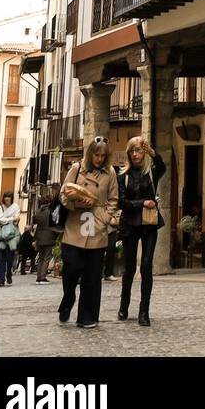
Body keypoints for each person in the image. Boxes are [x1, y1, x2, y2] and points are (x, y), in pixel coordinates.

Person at [58, 136, 119, 329]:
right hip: (75, 225)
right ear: (90, 153)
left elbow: (113, 199)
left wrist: (105, 218)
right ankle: (68, 299)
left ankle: (87, 316)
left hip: (96, 228)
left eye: (102, 155)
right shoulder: (77, 169)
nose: (99, 159)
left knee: (92, 276)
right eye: (96, 155)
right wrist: (75, 202)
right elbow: (63, 193)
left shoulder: (110, 173)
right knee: (71, 268)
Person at [117, 136, 166, 327]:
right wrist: (142, 202)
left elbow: (162, 166)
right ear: (129, 153)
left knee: (146, 265)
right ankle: (124, 305)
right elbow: (122, 202)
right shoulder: (123, 175)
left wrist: (153, 153)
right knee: (129, 267)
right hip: (130, 223)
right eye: (133, 151)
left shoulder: (151, 172)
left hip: (149, 224)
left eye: (139, 150)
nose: (136, 154)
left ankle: (144, 311)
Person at [0, 191, 20, 286]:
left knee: (10, 258)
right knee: (1, 259)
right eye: (5, 197)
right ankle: (1, 280)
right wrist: (11, 218)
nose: (7, 199)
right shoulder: (0, 208)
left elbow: (17, 219)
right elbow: (0, 220)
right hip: (1, 236)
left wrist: (9, 219)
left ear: (11, 198)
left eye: (9, 197)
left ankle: (9, 273)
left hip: (12, 235)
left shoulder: (16, 207)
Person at [33, 190, 58, 282]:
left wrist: (35, 238)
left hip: (39, 237)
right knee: (46, 257)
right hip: (49, 236)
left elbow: (35, 224)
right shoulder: (51, 211)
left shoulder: (38, 211)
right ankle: (43, 276)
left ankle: (38, 276)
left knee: (40, 257)